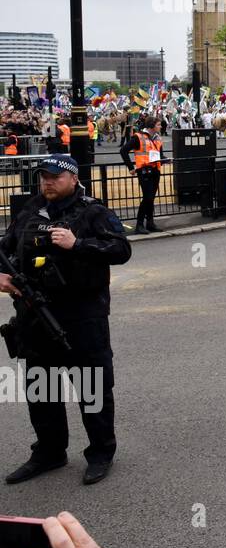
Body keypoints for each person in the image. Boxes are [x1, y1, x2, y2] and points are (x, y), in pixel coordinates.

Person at [1, 154, 132, 486]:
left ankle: (101, 453)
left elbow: (121, 250)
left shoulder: (93, 212)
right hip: (34, 317)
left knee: (92, 389)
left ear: (73, 179)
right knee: (41, 390)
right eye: (44, 176)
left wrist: (78, 244)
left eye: (55, 176)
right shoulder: (28, 212)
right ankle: (49, 452)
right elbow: (4, 250)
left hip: (82, 317)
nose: (47, 181)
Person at [119, 115, 164, 234]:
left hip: (155, 170)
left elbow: (160, 155)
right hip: (144, 171)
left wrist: (166, 159)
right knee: (147, 198)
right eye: (158, 125)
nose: (160, 126)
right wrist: (130, 167)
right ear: (152, 126)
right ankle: (139, 224)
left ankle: (150, 223)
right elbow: (123, 150)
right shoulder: (138, 137)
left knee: (151, 198)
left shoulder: (158, 138)